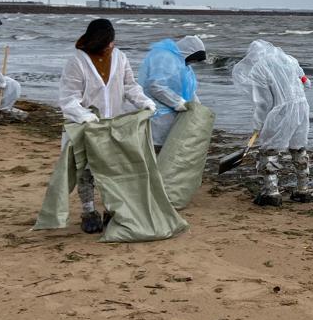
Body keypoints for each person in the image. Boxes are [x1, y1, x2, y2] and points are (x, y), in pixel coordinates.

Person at [57, 18, 156, 233]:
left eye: (112, 42)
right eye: (107, 42)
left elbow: (129, 85)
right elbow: (68, 97)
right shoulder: (77, 61)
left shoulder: (120, 58)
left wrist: (144, 102)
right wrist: (84, 115)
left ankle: (111, 210)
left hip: (113, 125)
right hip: (85, 126)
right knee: (86, 170)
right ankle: (88, 211)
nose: (111, 46)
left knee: (112, 169)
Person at [232, 39, 313, 207]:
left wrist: (258, 124)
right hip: (301, 107)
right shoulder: (290, 60)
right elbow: (306, 82)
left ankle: (272, 193)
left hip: (281, 111)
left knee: (269, 150)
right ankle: (303, 190)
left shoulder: (260, 68)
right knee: (298, 147)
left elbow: (263, 103)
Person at [138, 36, 206, 149]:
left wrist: (198, 108)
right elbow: (155, 86)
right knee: (155, 146)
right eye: (193, 59)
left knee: (167, 148)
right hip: (158, 114)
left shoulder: (184, 66)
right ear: (188, 52)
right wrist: (178, 102)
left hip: (171, 115)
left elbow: (189, 91)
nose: (193, 62)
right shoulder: (165, 59)